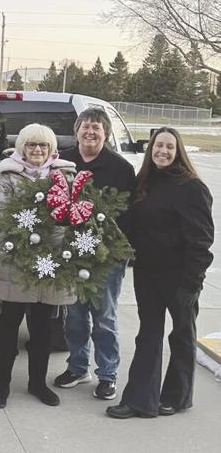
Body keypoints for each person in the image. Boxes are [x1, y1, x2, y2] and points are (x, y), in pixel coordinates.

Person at [107, 127, 214, 419]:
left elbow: (201, 240)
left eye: (169, 147)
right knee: (149, 335)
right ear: (150, 150)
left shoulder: (192, 187)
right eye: (158, 147)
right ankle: (140, 400)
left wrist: (192, 283)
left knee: (181, 335)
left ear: (178, 151)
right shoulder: (144, 182)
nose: (162, 152)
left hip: (181, 276)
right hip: (148, 274)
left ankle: (177, 397)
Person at [0, 124, 77, 409]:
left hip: (50, 261)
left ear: (52, 149)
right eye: (31, 145)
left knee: (42, 326)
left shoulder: (65, 175)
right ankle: (1, 385)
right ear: (22, 148)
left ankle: (37, 383)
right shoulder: (9, 174)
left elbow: (73, 213)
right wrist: (33, 231)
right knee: (9, 324)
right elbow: (3, 213)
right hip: (17, 259)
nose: (37, 151)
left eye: (43, 146)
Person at [54, 108, 136, 400]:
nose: (90, 132)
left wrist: (118, 253)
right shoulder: (63, 162)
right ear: (76, 132)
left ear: (106, 133)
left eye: (96, 128)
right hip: (70, 254)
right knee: (74, 315)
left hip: (105, 257)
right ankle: (77, 367)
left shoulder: (120, 168)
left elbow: (128, 216)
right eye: (85, 127)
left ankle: (108, 374)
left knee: (104, 318)